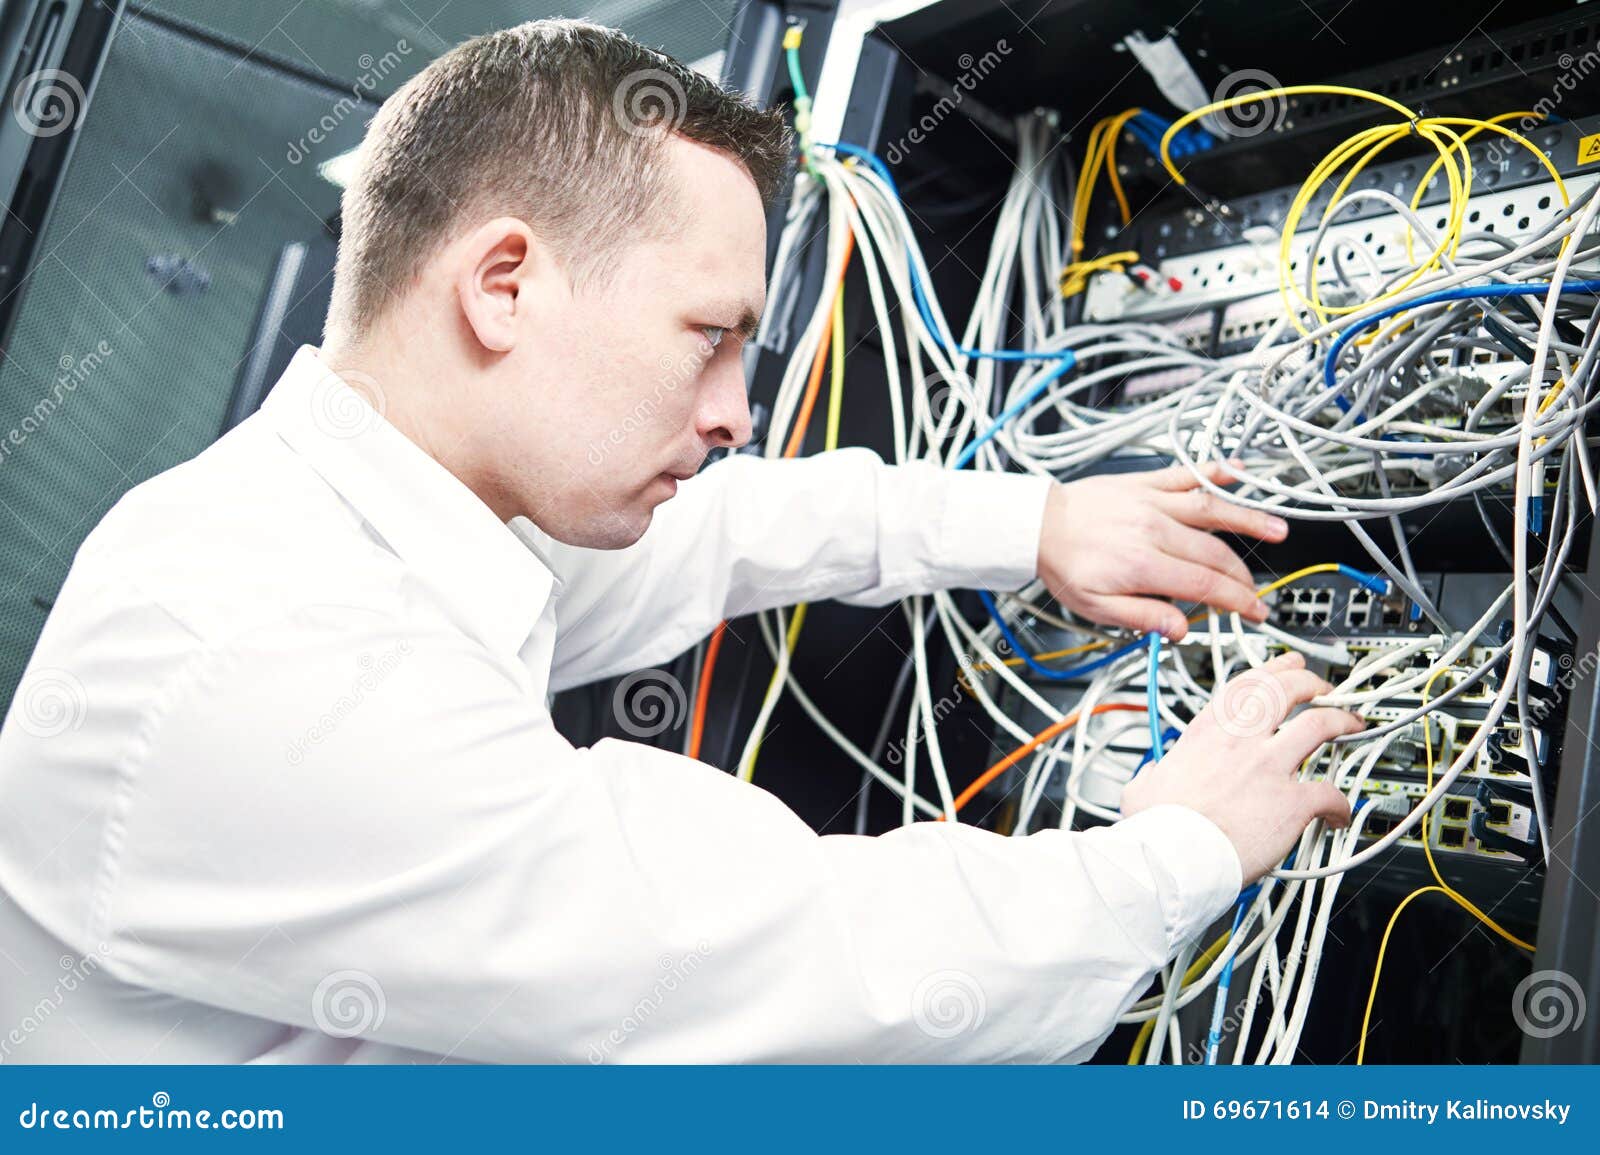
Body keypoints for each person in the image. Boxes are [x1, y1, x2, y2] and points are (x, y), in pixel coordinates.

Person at [0, 20, 1357, 1064]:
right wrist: (1173, 850)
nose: (734, 413)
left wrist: (1034, 519)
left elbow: (721, 534)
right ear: (504, 286)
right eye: (708, 337)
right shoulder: (262, 645)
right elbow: (788, 957)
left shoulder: (368, 517)